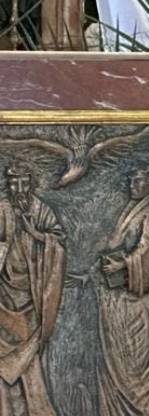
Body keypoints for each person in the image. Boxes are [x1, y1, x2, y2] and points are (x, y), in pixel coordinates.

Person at [97, 166, 149, 415]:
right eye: (131, 179)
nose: (132, 184)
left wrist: (122, 264)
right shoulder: (130, 210)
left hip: (139, 300)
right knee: (121, 361)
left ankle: (148, 410)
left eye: (138, 180)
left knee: (140, 362)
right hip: (120, 297)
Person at [0, 162, 66, 413]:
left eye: (23, 182)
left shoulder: (41, 210)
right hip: (4, 295)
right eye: (13, 183)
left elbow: (58, 241)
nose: (18, 188)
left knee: (28, 356)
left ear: (31, 183)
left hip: (31, 294)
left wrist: (36, 234)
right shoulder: (2, 209)